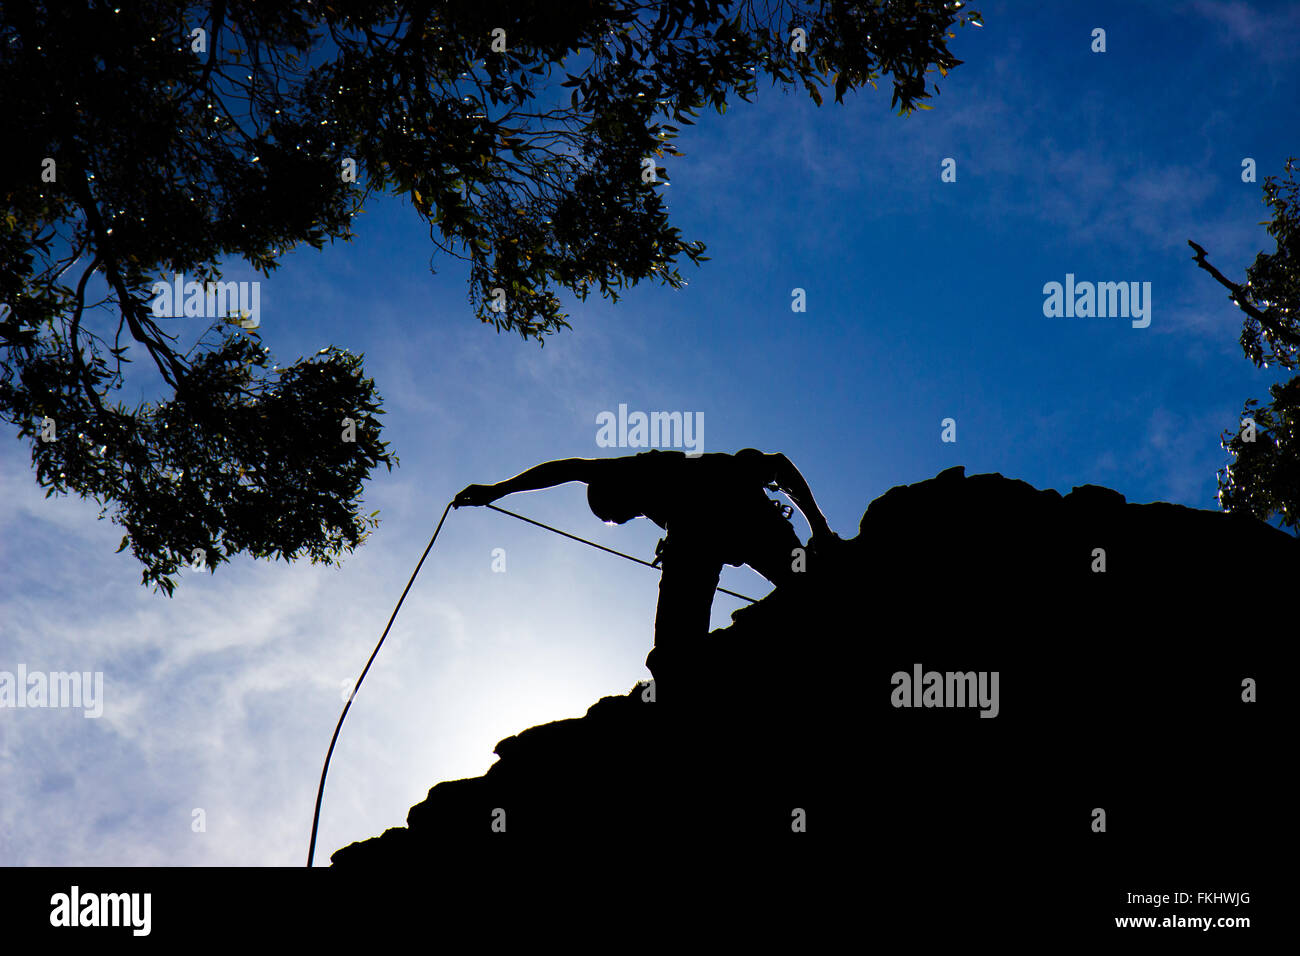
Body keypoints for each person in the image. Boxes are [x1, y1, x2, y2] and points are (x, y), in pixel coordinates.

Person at [453, 448, 838, 697]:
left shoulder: (631, 472)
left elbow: (566, 469)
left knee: (676, 654)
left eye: (615, 516)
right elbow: (777, 467)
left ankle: (681, 682)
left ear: (610, 497)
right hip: (732, 527)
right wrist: (819, 530)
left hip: (717, 527)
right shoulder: (666, 483)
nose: (627, 518)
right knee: (807, 587)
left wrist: (499, 490)